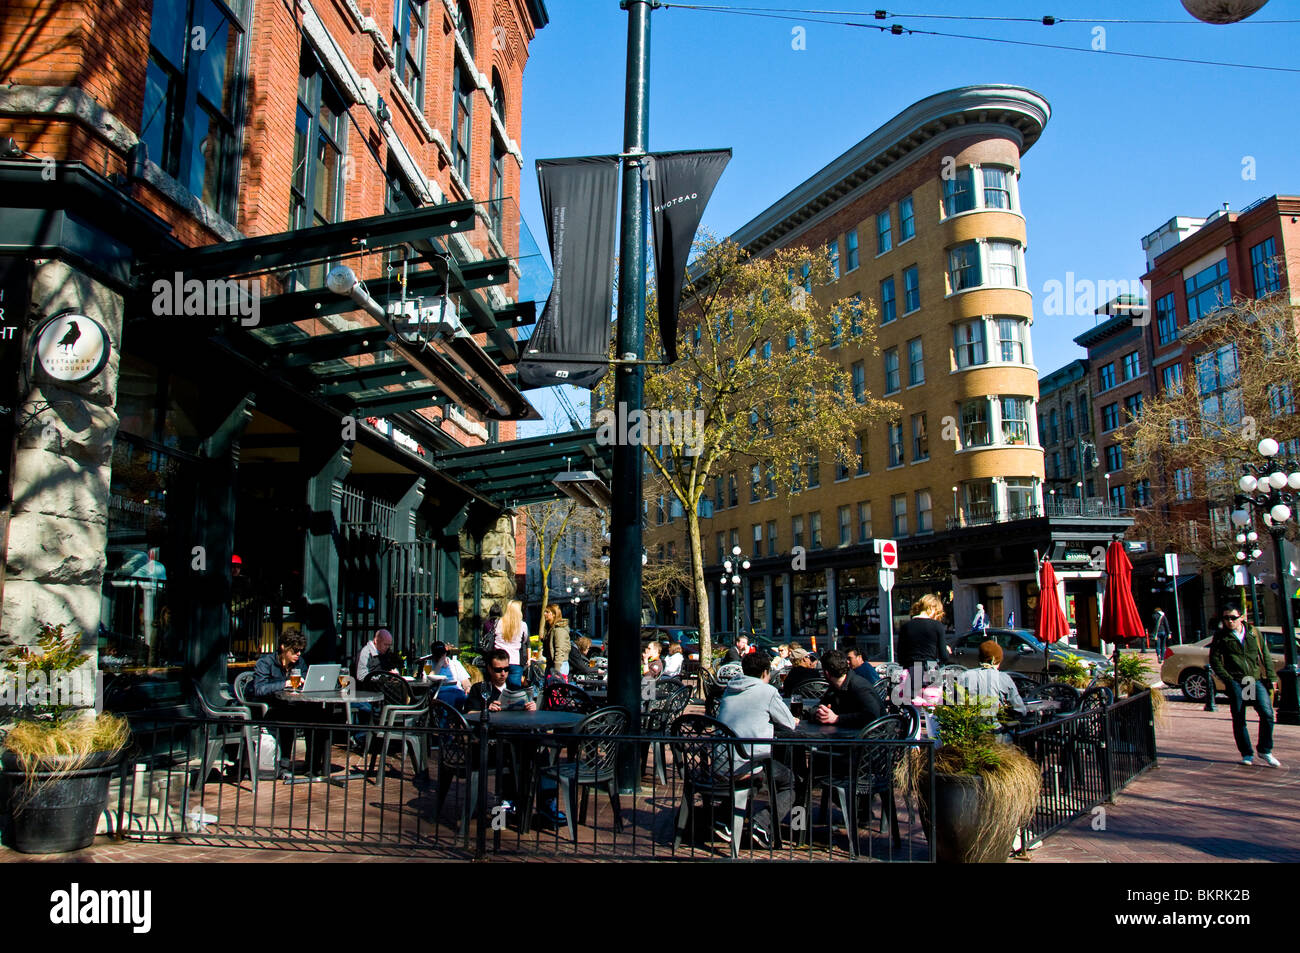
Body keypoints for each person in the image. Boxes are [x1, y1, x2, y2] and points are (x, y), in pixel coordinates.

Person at [716, 651, 797, 847]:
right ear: (764, 673)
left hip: (721, 761)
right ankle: (763, 824)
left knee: (758, 775)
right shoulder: (767, 691)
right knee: (791, 782)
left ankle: (726, 820)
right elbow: (789, 723)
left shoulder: (730, 688)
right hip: (747, 762)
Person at [1209, 607, 1280, 767]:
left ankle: (1264, 750)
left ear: (1242, 617)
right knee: (1239, 717)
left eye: (1233, 617)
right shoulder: (1221, 636)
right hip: (1235, 680)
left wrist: (1271, 676)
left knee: (1267, 713)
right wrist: (1228, 679)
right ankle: (1247, 753)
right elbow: (1215, 660)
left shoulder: (1253, 633)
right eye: (1226, 618)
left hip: (1252, 679)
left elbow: (1265, 655)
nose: (1229, 621)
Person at [810, 649, 883, 729]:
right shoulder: (835, 687)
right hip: (850, 733)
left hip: (874, 737)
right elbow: (820, 705)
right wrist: (820, 713)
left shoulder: (858, 686)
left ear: (826, 673)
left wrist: (837, 718)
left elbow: (872, 715)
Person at [955, 640, 1027, 718]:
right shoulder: (1003, 678)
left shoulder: (965, 676)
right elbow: (1020, 709)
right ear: (997, 660)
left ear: (980, 658)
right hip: (996, 727)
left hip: (968, 726)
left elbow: (954, 703)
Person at [466, 649, 537, 712]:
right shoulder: (479, 688)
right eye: (498, 670)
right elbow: (470, 713)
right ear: (489, 669)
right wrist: (487, 710)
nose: (503, 673)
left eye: (506, 669)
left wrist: (530, 708)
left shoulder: (516, 689)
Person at [897, 594, 951, 673]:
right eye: (937, 612)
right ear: (932, 608)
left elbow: (900, 657)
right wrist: (946, 650)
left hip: (912, 669)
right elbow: (944, 657)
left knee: (916, 685)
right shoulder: (937, 626)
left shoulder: (906, 626)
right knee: (948, 679)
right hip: (931, 668)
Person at [496, 600, 528, 690]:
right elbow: (524, 640)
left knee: (497, 689)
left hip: (499, 660)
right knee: (514, 691)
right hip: (515, 660)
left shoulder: (499, 622)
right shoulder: (522, 625)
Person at [428, 641, 470, 710]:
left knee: (466, 698)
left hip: (457, 690)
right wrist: (440, 664)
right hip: (441, 692)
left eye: (442, 654)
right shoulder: (430, 665)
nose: (441, 656)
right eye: (438, 655)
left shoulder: (455, 663)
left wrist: (468, 687)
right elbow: (429, 679)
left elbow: (465, 681)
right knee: (448, 699)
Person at [541, 603, 572, 679]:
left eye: (547, 612)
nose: (544, 614)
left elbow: (560, 650)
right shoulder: (550, 629)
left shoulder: (559, 630)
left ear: (554, 614)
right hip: (551, 664)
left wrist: (557, 670)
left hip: (560, 666)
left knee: (556, 690)